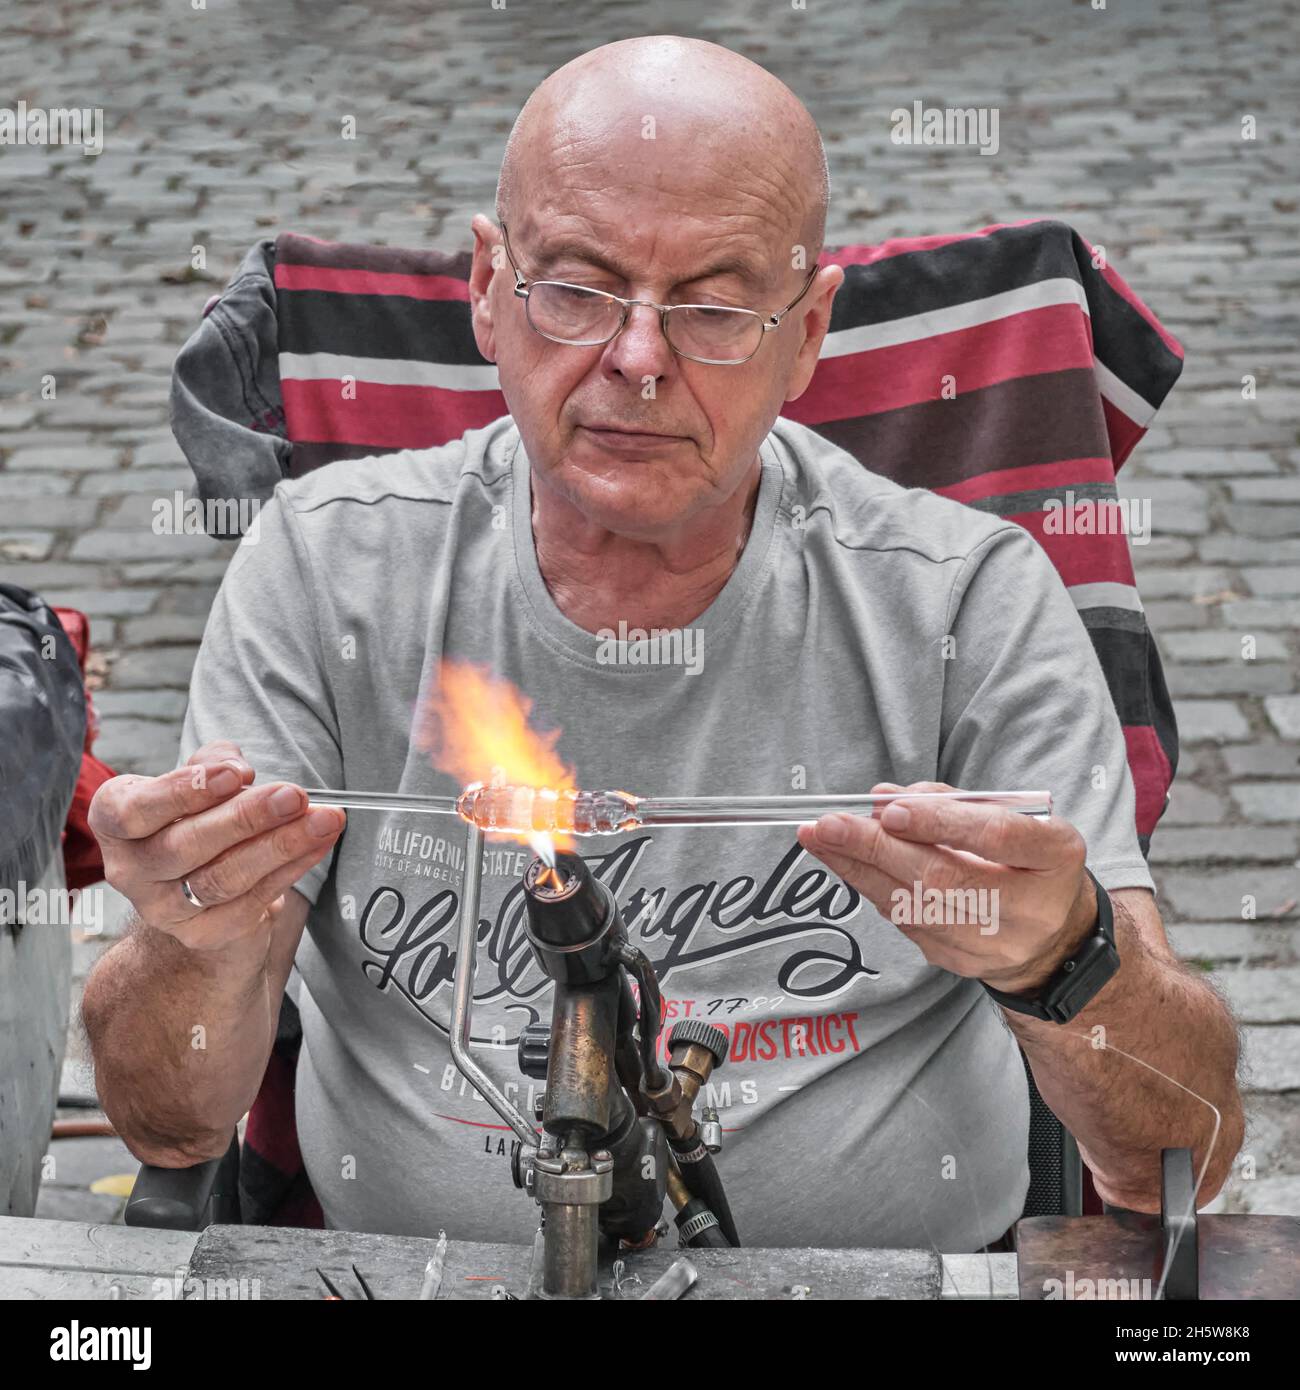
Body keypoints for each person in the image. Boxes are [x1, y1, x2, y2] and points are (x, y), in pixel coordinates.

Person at [83, 35, 1242, 1250]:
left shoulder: (966, 602)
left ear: (806, 335)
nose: (638, 361)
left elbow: (1187, 1153)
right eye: (576, 289)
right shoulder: (324, 571)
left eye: (715, 306)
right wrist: (186, 936)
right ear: (488, 289)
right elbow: (168, 1123)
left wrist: (1069, 959)